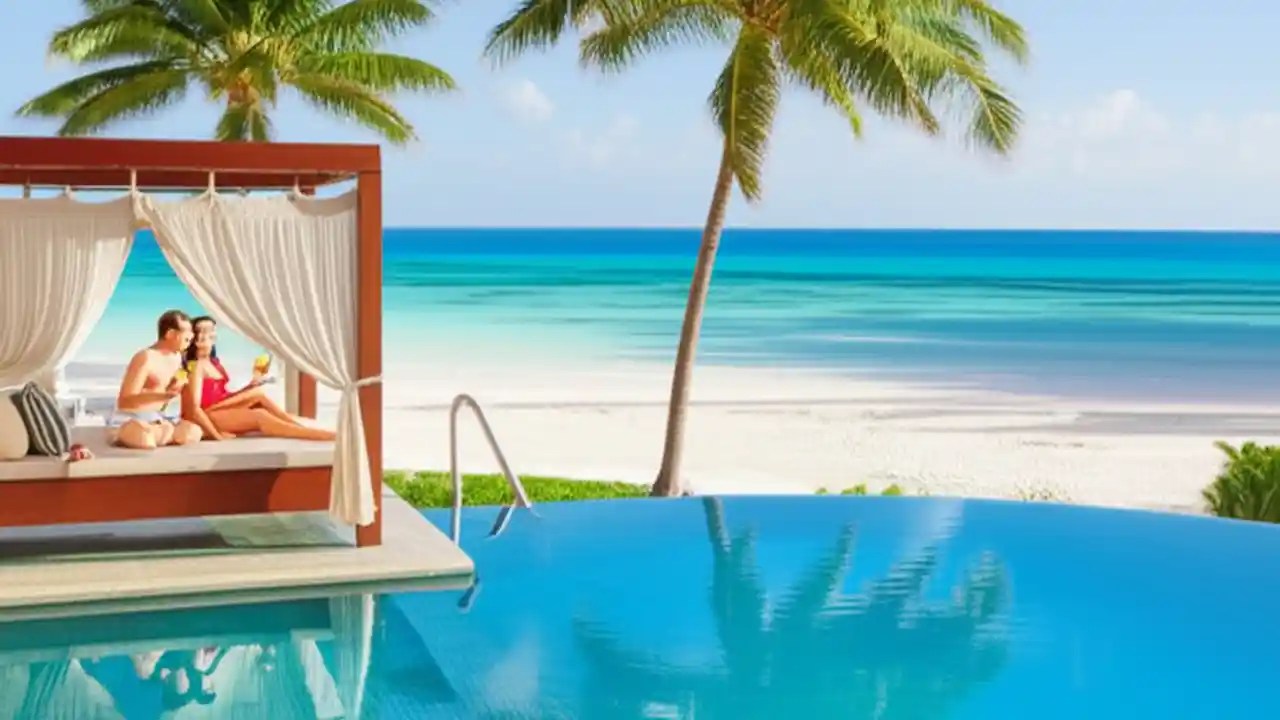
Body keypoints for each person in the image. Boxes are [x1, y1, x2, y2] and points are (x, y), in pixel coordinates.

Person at [181, 317, 336, 442]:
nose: (204, 335)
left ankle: (296, 425)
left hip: (220, 408)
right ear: (192, 337)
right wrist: (217, 435)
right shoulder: (195, 367)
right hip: (208, 415)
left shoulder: (214, 363)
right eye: (199, 331)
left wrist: (250, 386)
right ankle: (315, 434)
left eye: (209, 330)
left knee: (259, 395)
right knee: (259, 413)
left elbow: (224, 396)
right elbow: (194, 410)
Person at [110, 310, 204, 449]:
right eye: (186, 335)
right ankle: (142, 434)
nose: (190, 338)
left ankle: (161, 433)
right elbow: (124, 401)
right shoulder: (145, 357)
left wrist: (176, 386)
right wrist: (161, 396)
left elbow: (171, 389)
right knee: (143, 438)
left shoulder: (177, 357)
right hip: (136, 418)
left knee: (194, 432)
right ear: (170, 334)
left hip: (161, 419)